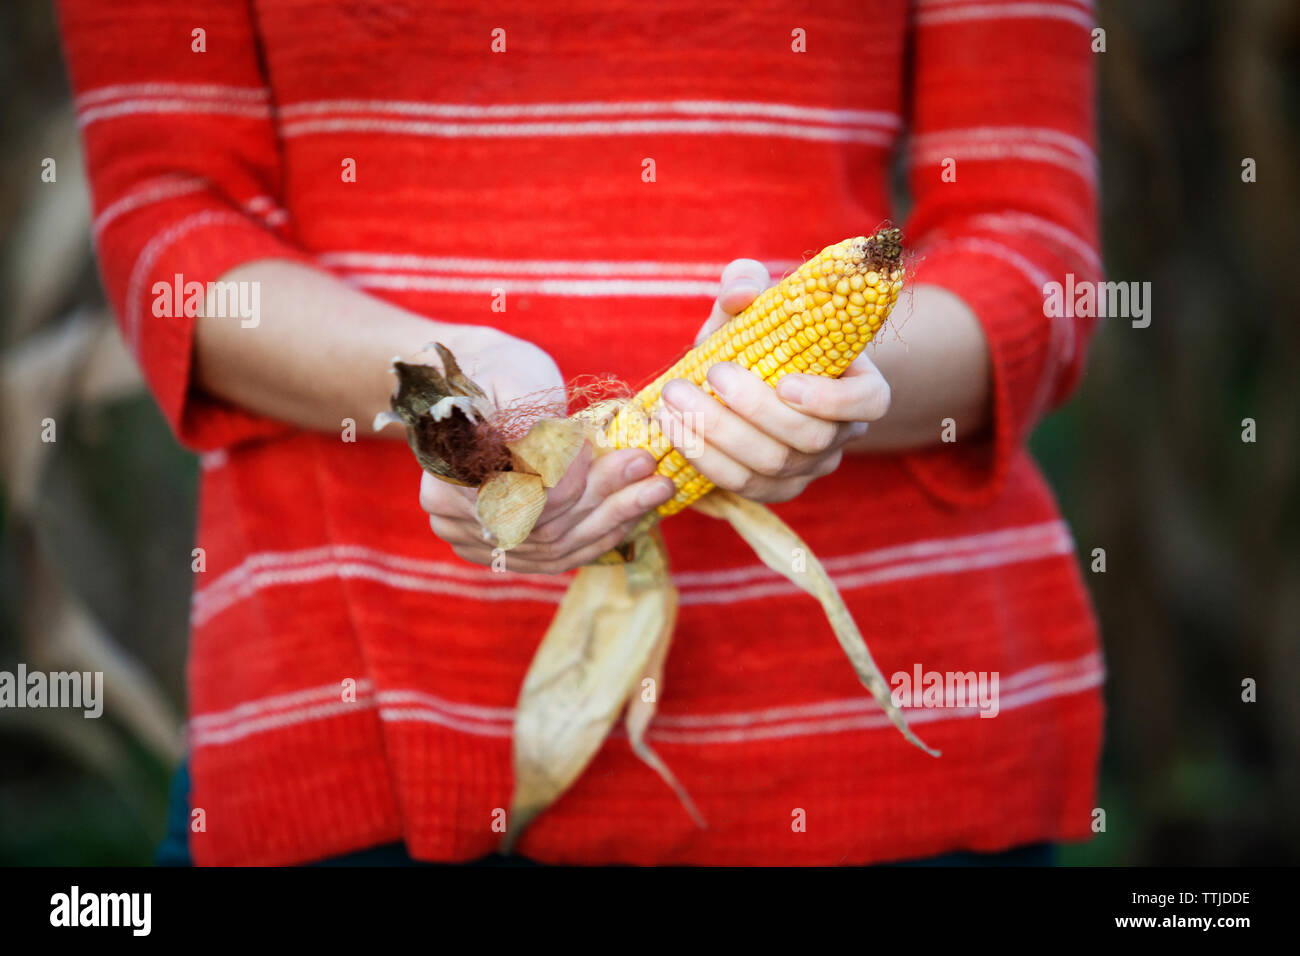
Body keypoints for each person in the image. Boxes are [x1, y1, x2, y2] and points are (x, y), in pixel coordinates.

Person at [58, 0, 1104, 866]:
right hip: (354, 721)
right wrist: (460, 406)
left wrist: (837, 376)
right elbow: (172, 224)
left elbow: (1025, 241)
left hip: (868, 761)